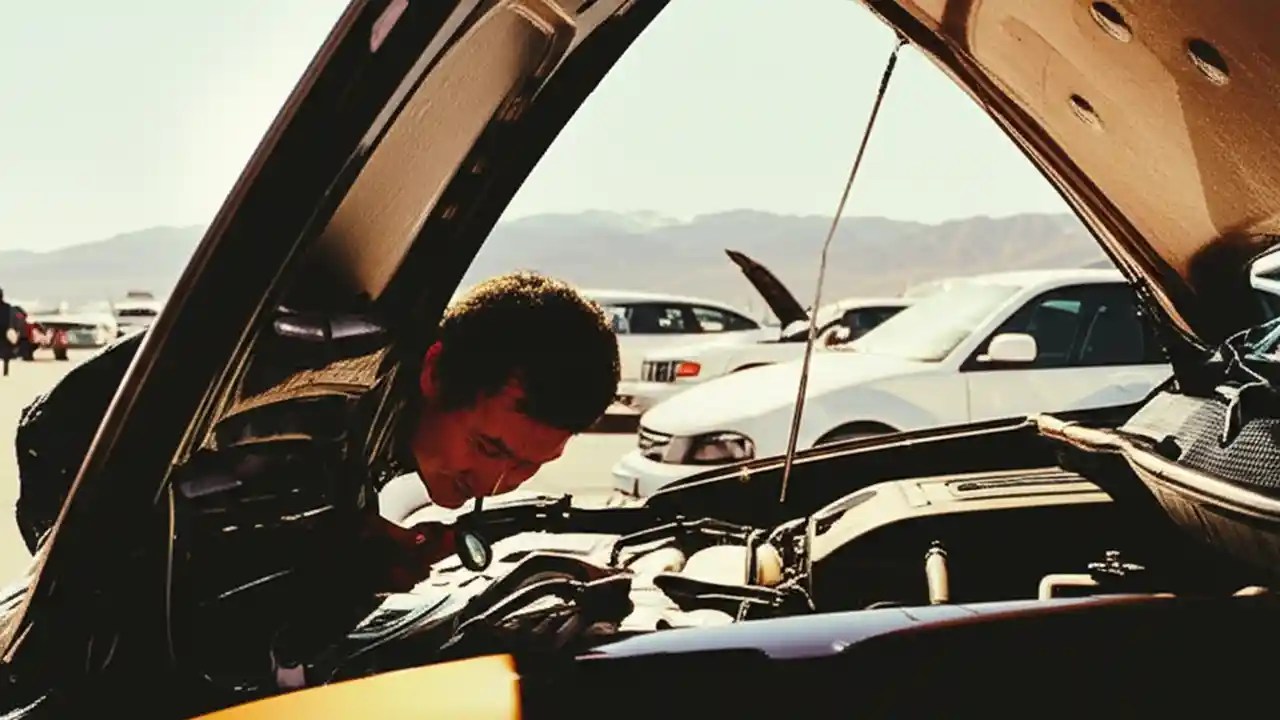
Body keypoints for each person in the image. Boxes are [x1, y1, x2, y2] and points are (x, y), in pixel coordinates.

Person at [13, 271, 620, 686]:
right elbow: (59, 427)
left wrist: (349, 548)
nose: (496, 482)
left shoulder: (369, 425)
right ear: (435, 372)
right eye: (489, 448)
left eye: (530, 466)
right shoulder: (321, 367)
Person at [0, 287, 13, 377]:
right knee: (6, 352)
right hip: (4, 329)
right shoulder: (7, 306)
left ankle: (6, 371)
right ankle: (6, 371)